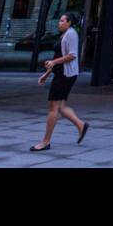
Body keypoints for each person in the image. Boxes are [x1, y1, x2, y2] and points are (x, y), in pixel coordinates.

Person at [31, 12, 89, 151]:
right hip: (61, 73)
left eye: (62, 21)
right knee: (61, 106)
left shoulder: (71, 34)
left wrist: (54, 62)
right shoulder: (64, 35)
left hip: (65, 75)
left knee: (53, 108)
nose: (59, 23)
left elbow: (72, 55)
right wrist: (46, 74)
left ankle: (45, 142)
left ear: (69, 22)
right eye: (60, 20)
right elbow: (57, 57)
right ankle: (81, 125)